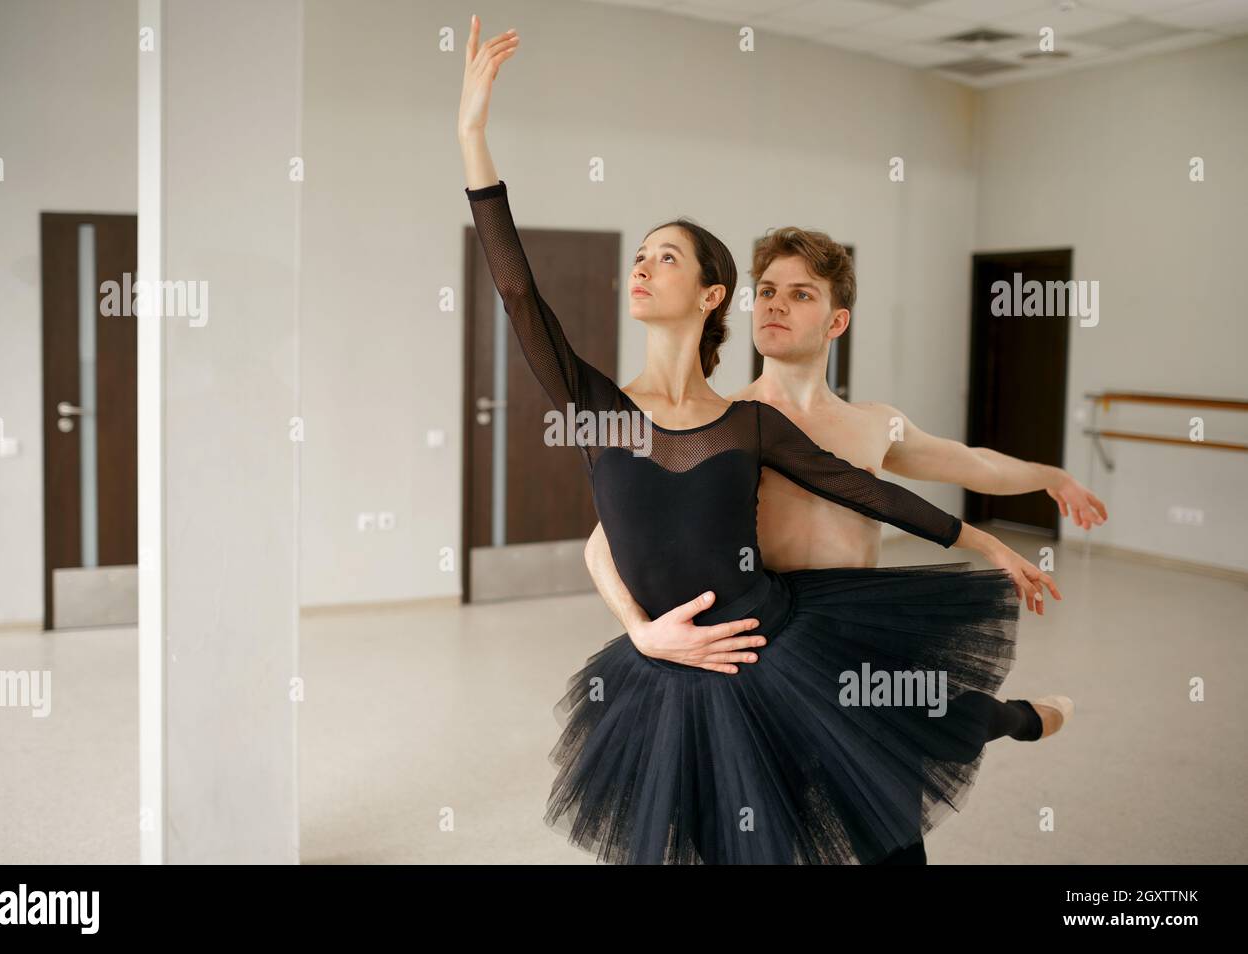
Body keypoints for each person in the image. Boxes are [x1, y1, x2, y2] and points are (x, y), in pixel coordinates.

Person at [459, 16, 1062, 864]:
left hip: (782, 640)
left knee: (885, 798)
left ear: (711, 296)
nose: (641, 265)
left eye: (664, 257)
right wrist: (472, 135)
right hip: (668, 676)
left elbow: (862, 487)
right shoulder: (596, 406)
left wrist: (986, 540)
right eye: (637, 254)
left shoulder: (749, 422)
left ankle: (1008, 718)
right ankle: (1007, 719)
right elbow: (520, 296)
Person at [582, 225, 1101, 862]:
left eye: (800, 295)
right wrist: (640, 629)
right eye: (767, 291)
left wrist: (1054, 477)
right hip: (765, 646)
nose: (775, 304)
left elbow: (974, 465)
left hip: (857, 629)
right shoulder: (723, 421)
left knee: (905, 784)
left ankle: (1014, 718)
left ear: (836, 321)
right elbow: (607, 539)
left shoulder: (873, 424)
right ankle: (1014, 718)